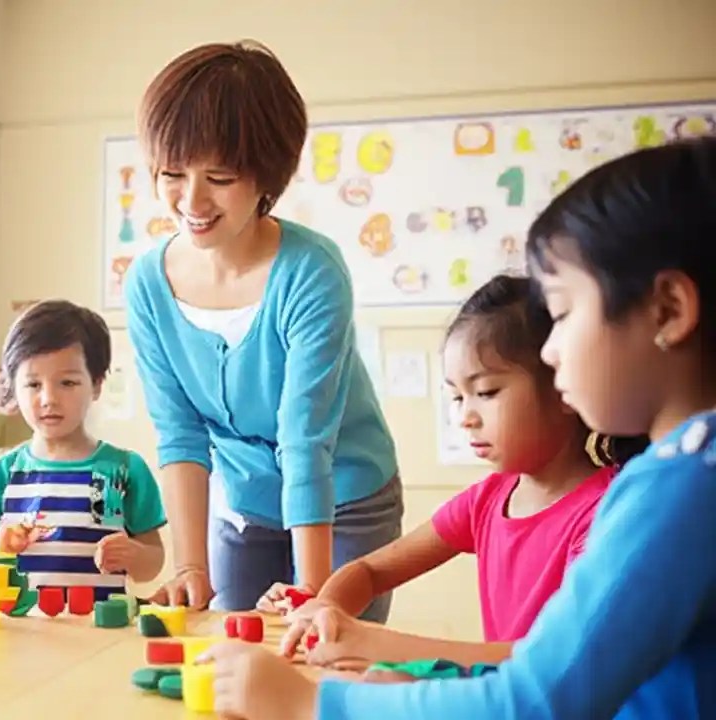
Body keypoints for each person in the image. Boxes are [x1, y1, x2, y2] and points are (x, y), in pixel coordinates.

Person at [201, 138, 716, 719]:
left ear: (669, 310)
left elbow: (535, 698)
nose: (551, 351)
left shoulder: (682, 487)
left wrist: (312, 705)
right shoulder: (676, 476)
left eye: (565, 313)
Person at [125, 40, 401, 613]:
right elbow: (179, 433)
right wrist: (189, 566)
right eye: (172, 173)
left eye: (219, 177)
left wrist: (312, 595)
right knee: (227, 654)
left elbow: (307, 440)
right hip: (244, 499)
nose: (191, 200)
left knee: (324, 654)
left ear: (266, 177)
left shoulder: (310, 272)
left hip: (346, 494)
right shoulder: (148, 283)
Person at [263, 274, 646, 671]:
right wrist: (326, 607)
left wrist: (381, 644)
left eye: (486, 392)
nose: (465, 417)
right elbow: (370, 571)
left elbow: (557, 659)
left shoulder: (607, 515)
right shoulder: (489, 499)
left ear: (562, 386)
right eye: (457, 396)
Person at [0, 300, 166, 599]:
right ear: (13, 387)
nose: (49, 398)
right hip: (20, 634)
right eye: (33, 384)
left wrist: (134, 555)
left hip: (100, 632)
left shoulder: (126, 469)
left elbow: (153, 563)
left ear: (95, 384)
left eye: (67, 382)